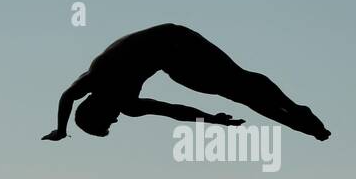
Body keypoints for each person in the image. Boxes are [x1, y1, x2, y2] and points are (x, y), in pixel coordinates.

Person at [41, 23, 330, 141]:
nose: (116, 120)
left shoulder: (98, 77)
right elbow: (174, 110)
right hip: (173, 62)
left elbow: (67, 97)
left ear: (95, 109)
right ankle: (295, 119)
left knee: (237, 82)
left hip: (174, 40)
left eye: (107, 121)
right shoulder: (128, 104)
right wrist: (213, 121)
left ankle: (295, 110)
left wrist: (60, 129)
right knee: (236, 91)